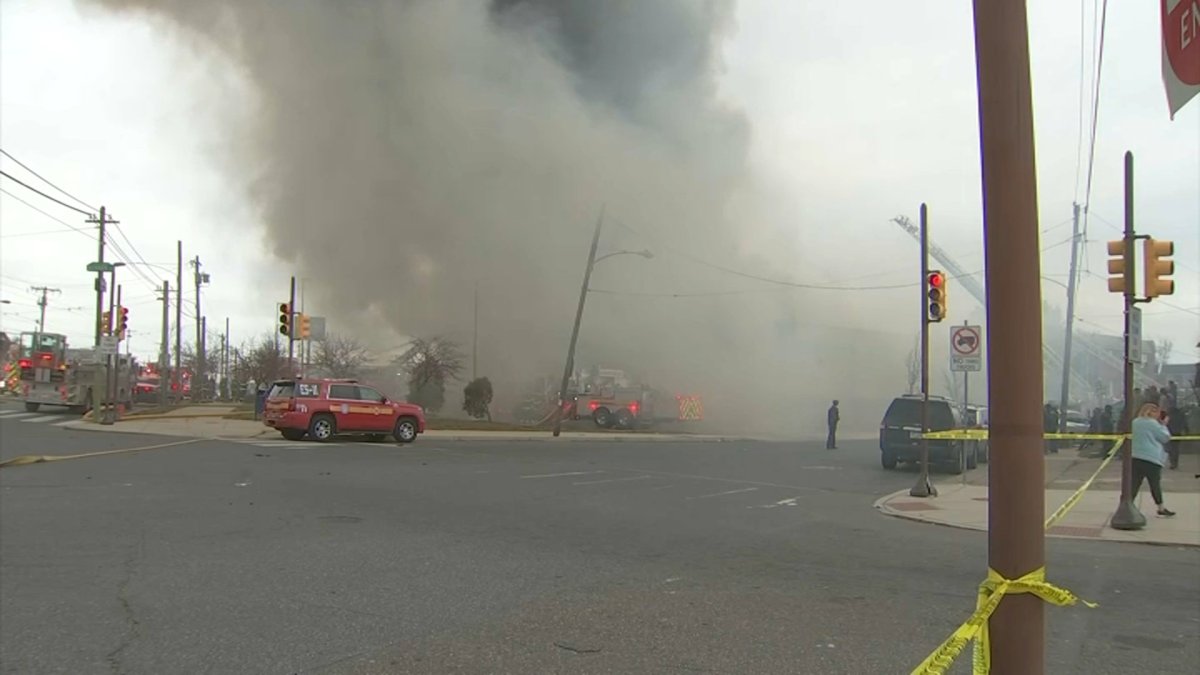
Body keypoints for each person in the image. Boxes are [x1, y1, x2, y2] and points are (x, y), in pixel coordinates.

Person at [1131, 403, 1175, 517]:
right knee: (1154, 483)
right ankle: (1160, 508)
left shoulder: (1135, 422)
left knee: (1134, 483)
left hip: (1136, 456)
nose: (1158, 415)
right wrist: (1164, 425)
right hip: (1151, 457)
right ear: (1151, 412)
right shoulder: (1153, 424)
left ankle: (1128, 504)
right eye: (1157, 412)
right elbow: (1165, 438)